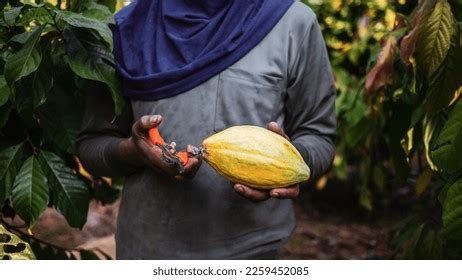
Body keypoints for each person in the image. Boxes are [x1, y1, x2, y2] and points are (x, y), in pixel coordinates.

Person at [77, 0, 336, 259]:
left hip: (254, 252)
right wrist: (134, 151)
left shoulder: (292, 21)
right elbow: (92, 144)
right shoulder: (125, 29)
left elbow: (319, 135)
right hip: (148, 249)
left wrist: (287, 162)